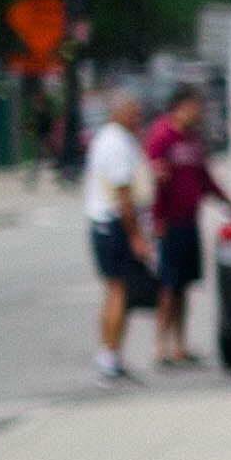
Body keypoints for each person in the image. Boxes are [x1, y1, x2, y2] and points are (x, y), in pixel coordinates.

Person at [140, 84, 217, 368]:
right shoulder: (162, 136)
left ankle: (180, 345)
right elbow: (152, 180)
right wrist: (156, 219)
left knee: (184, 286)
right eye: (196, 107)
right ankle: (159, 345)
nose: (200, 112)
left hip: (189, 221)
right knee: (168, 286)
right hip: (169, 223)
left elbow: (205, 178)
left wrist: (228, 201)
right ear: (181, 106)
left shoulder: (193, 139)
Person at [81, 88, 149, 384]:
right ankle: (108, 356)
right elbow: (123, 196)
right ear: (117, 111)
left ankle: (112, 354)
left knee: (116, 291)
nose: (137, 115)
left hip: (106, 224)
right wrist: (136, 236)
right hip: (112, 225)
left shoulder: (116, 139)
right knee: (118, 291)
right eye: (132, 110)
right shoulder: (116, 143)